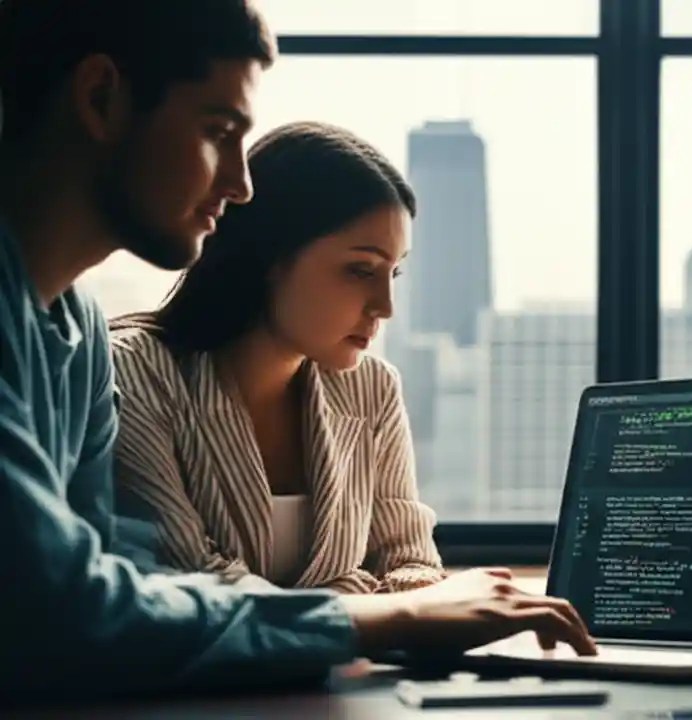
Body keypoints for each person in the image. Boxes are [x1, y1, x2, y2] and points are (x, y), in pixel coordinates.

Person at [0, 0, 593, 703]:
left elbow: (118, 591)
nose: (240, 185)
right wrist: (386, 612)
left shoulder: (76, 342)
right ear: (101, 98)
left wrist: (398, 607)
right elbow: (92, 607)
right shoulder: (129, 364)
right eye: (217, 131)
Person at [110, 121, 445, 594]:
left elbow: (410, 558)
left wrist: (395, 595)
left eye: (395, 273)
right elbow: (190, 581)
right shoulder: (135, 372)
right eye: (359, 270)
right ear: (271, 259)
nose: (385, 306)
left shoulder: (371, 386)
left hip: (354, 668)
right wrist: (357, 595)